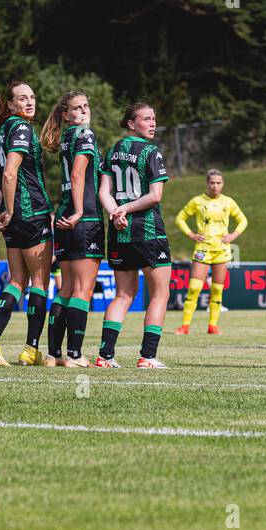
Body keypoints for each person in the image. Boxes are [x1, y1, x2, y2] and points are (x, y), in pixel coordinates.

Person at [0, 80, 54, 366]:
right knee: (39, 282)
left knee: (17, 280)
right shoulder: (21, 128)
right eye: (22, 98)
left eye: (32, 97)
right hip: (30, 211)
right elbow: (9, 175)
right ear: (10, 104)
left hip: (13, 217)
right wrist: (9, 210)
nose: (29, 102)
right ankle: (30, 349)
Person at [96, 102, 173, 368]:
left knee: (123, 294)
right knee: (160, 294)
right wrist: (125, 209)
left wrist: (115, 213)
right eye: (146, 119)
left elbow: (103, 192)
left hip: (119, 232)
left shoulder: (114, 150)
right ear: (131, 123)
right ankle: (148, 356)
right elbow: (155, 195)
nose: (152, 123)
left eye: (154, 118)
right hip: (148, 231)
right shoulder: (151, 151)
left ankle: (105, 356)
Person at [41, 89, 105, 367]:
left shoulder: (67, 137)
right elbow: (79, 174)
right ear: (65, 115)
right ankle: (75, 355)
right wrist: (80, 210)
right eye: (76, 108)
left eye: (86, 106)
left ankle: (53, 354)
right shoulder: (85, 135)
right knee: (82, 290)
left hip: (64, 215)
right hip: (83, 217)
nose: (83, 111)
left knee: (65, 289)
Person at [174, 169, 247, 336]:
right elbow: (180, 218)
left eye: (218, 183)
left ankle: (212, 326)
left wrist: (233, 235)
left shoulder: (228, 202)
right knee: (194, 287)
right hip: (202, 249)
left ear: (223, 184)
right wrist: (191, 234)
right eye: (212, 183)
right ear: (207, 183)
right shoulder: (197, 201)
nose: (215, 186)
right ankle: (185, 326)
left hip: (221, 250)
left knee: (217, 289)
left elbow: (243, 220)